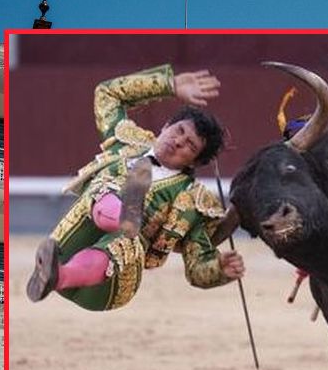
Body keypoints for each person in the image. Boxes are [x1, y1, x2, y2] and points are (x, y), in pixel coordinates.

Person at [26, 64, 244, 310]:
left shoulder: (192, 201)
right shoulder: (126, 142)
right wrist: (168, 84)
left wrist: (220, 270)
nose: (178, 141)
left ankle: (123, 224)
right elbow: (107, 93)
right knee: (106, 189)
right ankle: (59, 273)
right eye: (179, 130)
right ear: (165, 126)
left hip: (108, 287)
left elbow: (197, 266)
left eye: (190, 146)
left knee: (129, 237)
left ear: (194, 162)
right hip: (65, 250)